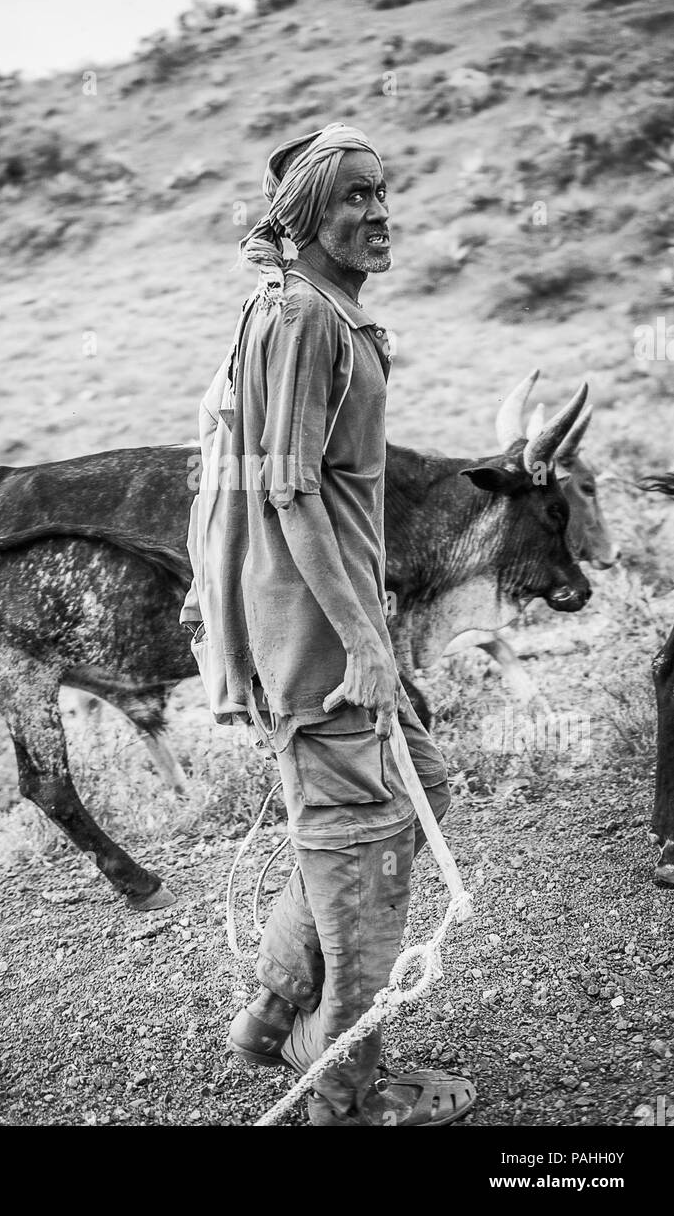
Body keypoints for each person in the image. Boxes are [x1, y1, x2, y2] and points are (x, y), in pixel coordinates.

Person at [188, 122, 476, 1127]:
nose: (377, 211)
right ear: (304, 214)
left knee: (414, 789)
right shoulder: (304, 320)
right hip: (316, 643)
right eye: (352, 195)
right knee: (361, 847)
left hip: (337, 623)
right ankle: (344, 1090)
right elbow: (288, 497)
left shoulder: (316, 314)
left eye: (382, 191)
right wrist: (360, 644)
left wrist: (375, 628)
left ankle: (275, 1013)